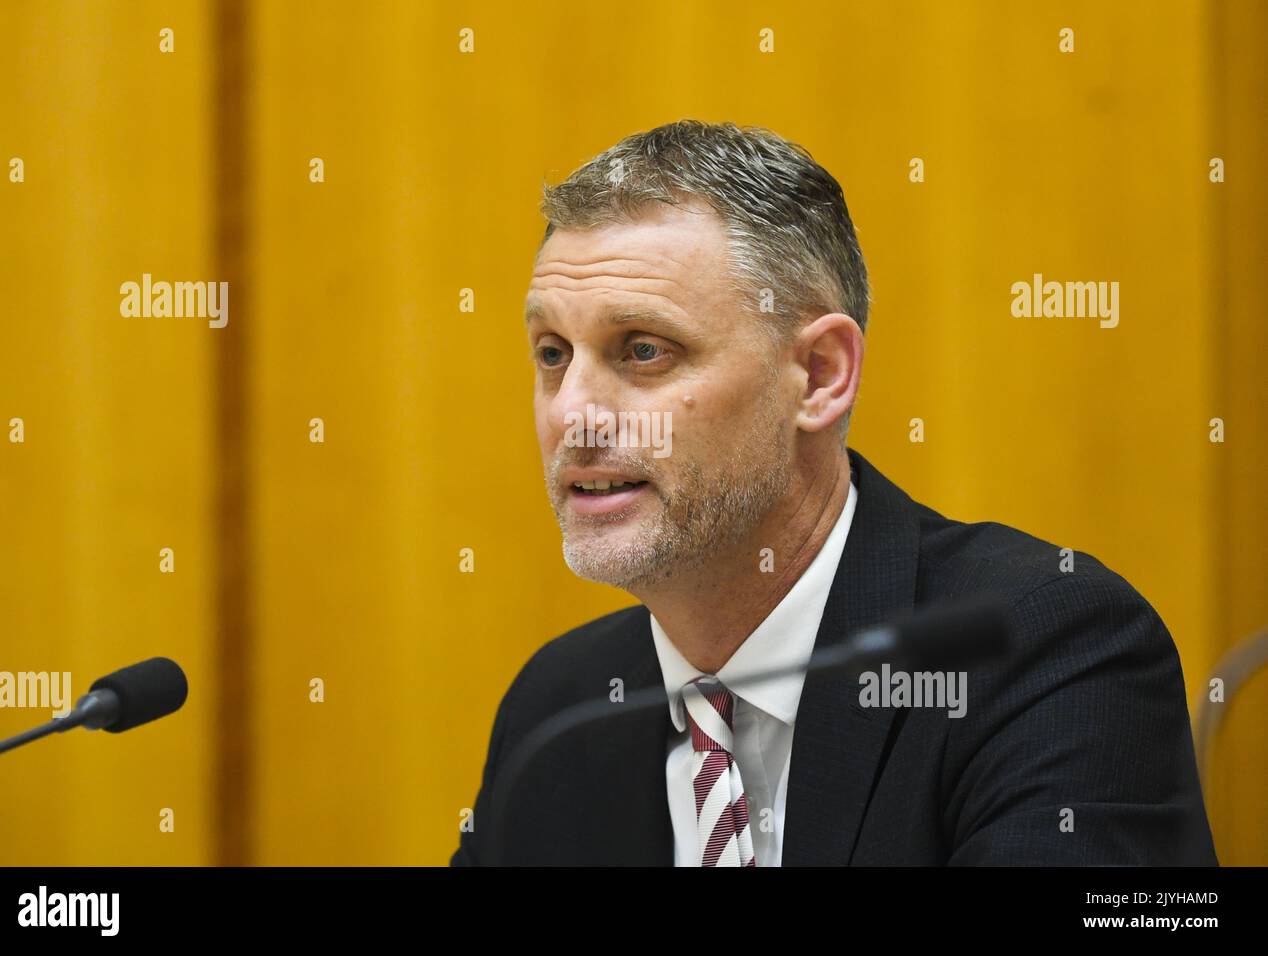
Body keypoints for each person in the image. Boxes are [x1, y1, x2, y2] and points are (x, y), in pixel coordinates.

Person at [451, 120, 1217, 866]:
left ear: (818, 376)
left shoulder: (1043, 652)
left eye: (644, 350)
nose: (573, 415)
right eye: (552, 354)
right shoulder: (558, 708)